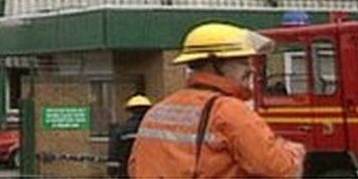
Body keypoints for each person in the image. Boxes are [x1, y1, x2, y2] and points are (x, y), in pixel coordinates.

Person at [129, 23, 305, 178]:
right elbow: (279, 168)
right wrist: (294, 151)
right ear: (214, 64)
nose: (250, 69)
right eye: (242, 61)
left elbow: (135, 167)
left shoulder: (158, 110)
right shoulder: (229, 111)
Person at [107, 95, 152, 178]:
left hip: (126, 172)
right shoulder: (154, 130)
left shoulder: (121, 130)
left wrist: (112, 171)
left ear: (130, 111)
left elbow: (114, 152)